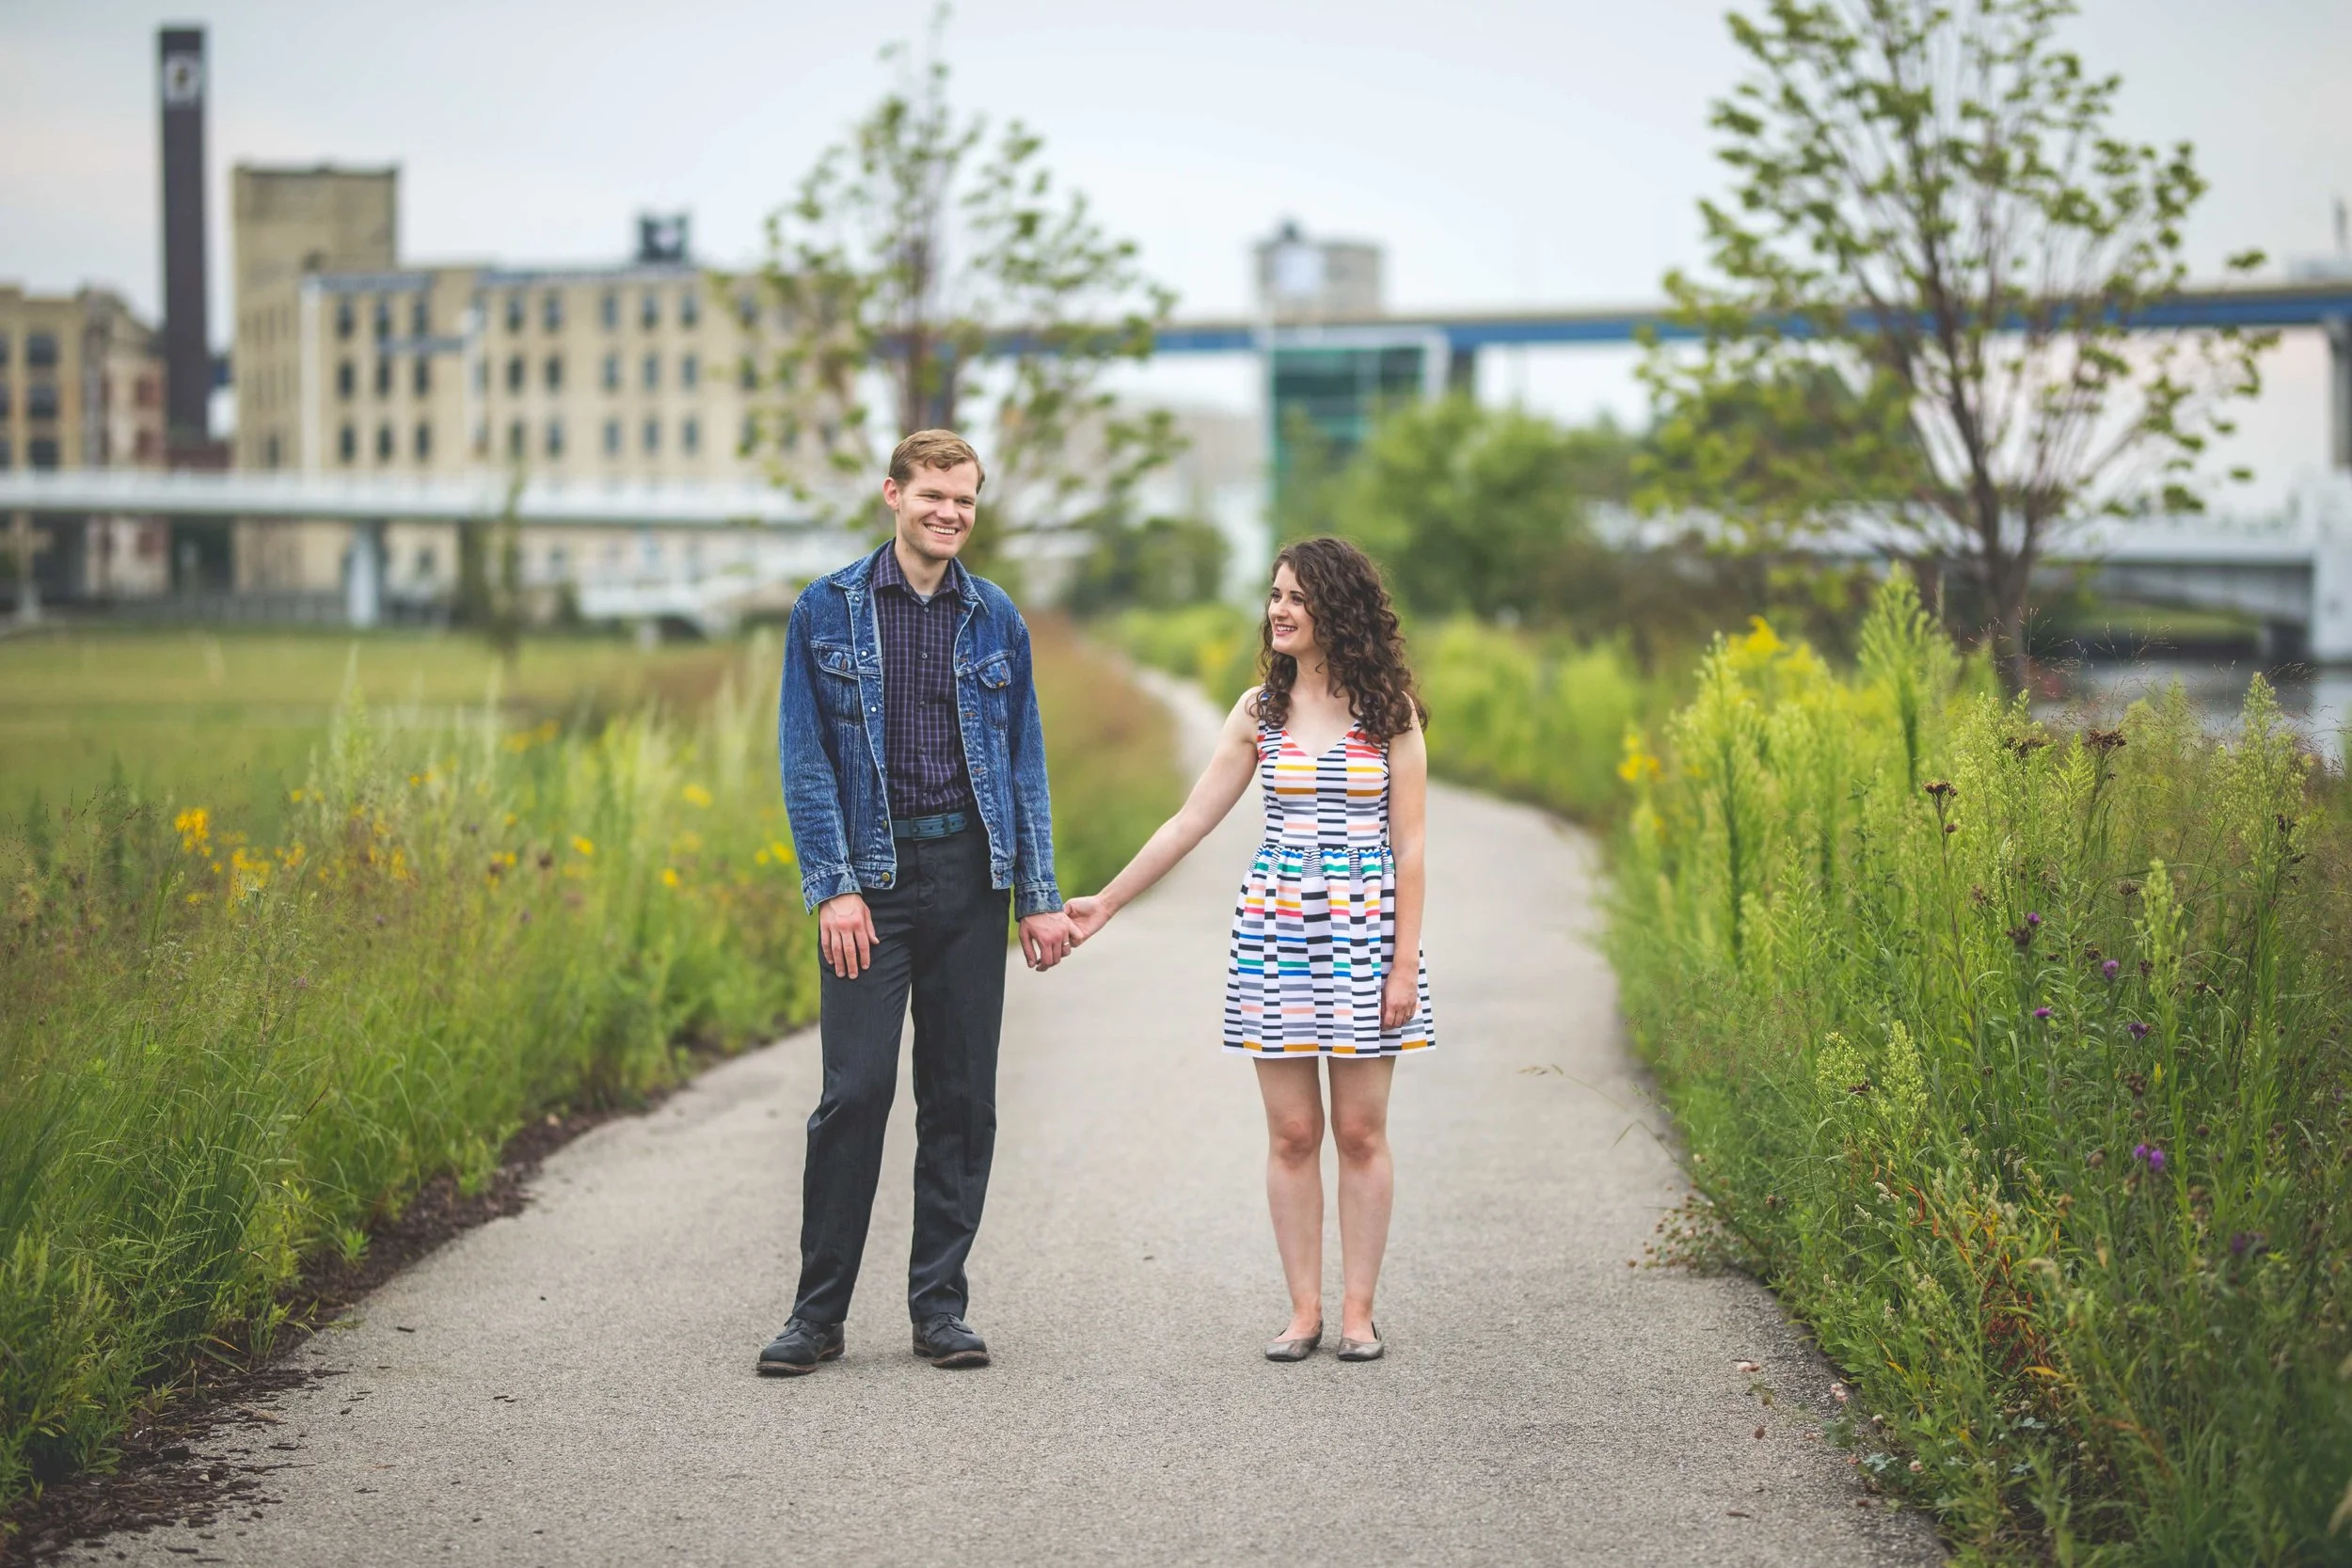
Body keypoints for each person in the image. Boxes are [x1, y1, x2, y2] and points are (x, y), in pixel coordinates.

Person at [758, 429, 1079, 1377]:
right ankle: (816, 1316)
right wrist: (834, 887)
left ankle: (940, 1308)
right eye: (934, 494)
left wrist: (1038, 897)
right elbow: (804, 757)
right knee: (854, 1094)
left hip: (970, 881)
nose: (950, 513)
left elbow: (1024, 763)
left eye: (966, 500)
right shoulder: (826, 610)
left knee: (961, 1100)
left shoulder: (996, 620)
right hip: (873, 886)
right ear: (893, 493)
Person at [1066, 536, 1433, 1362]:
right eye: (1274, 595)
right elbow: (1189, 821)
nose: (1278, 609)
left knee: (1362, 1132)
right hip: (1278, 935)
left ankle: (1357, 1313)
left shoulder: (1391, 712)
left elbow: (1410, 846)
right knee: (1295, 1131)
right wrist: (1108, 901)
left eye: (1297, 596)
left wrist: (1404, 962)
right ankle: (1303, 1311)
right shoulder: (1257, 712)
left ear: (1338, 607)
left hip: (1367, 933)